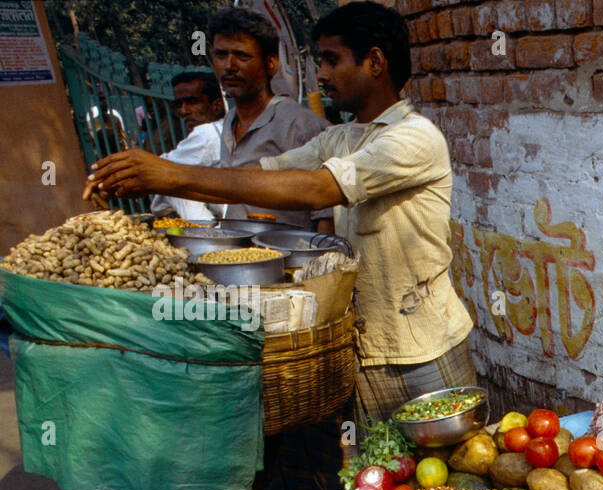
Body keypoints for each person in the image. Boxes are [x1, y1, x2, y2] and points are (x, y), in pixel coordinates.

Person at [84, 0, 475, 427]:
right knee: (376, 481)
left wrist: (171, 176)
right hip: (363, 348)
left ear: (375, 62)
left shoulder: (413, 137)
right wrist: (164, 176)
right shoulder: (342, 137)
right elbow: (265, 173)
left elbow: (316, 189)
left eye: (330, 60)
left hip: (420, 350)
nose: (321, 75)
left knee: (446, 476)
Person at [206, 5, 331, 229]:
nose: (229, 66)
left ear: (271, 63)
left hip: (289, 259)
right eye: (221, 55)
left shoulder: (300, 124)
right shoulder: (230, 121)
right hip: (238, 256)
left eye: (242, 56)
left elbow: (327, 215)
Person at [151, 71, 226, 222]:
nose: (183, 111)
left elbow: (162, 169)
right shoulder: (225, 127)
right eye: (179, 104)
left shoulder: (206, 133)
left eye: (192, 102)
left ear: (217, 106)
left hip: (234, 210)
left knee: (173, 185)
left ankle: (208, 235)